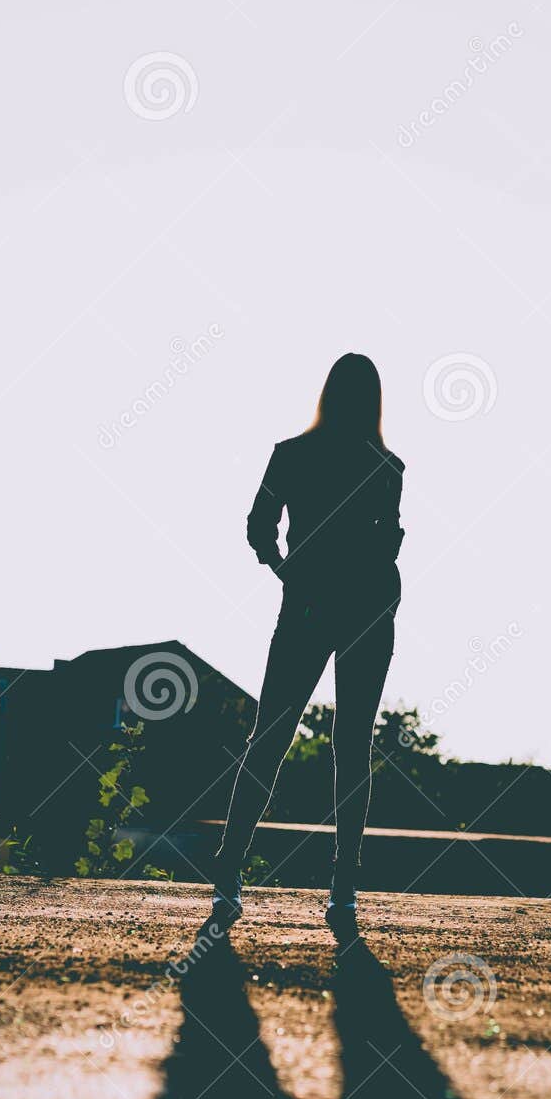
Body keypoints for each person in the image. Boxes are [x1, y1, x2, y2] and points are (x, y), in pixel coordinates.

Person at [212, 353, 404, 928]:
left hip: (312, 608)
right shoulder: (386, 465)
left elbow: (257, 527)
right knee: (351, 748)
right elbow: (385, 543)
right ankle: (342, 888)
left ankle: (230, 874)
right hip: (365, 611)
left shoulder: (293, 455)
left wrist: (286, 569)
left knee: (270, 736)